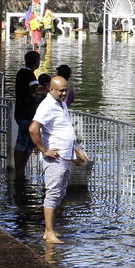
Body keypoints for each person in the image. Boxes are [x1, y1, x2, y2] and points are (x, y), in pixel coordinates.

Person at [29, 75, 89, 244]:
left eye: (65, 90)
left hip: (65, 155)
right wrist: (44, 150)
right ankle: (48, 232)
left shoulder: (60, 103)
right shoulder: (47, 105)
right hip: (55, 157)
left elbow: (64, 128)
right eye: (61, 90)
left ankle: (51, 228)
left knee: (60, 192)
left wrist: (75, 149)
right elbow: (33, 128)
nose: (64, 93)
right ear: (51, 90)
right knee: (53, 193)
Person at [13, 50, 42, 178]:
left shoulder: (23, 73)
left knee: (27, 142)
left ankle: (21, 170)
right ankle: (19, 170)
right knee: (23, 141)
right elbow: (36, 89)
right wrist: (51, 90)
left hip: (23, 112)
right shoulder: (28, 74)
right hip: (25, 113)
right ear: (36, 62)